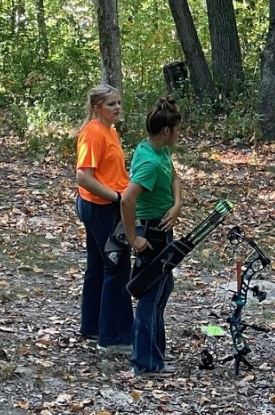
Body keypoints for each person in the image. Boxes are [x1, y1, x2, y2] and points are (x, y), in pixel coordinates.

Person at [121, 96, 184, 375]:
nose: (180, 134)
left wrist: (177, 204)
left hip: (163, 226)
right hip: (152, 232)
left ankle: (154, 354)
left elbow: (175, 178)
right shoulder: (149, 162)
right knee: (151, 293)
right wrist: (133, 237)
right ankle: (145, 362)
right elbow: (127, 200)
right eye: (178, 128)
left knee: (163, 288)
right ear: (167, 131)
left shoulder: (159, 151)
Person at [74, 84, 133, 350]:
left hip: (107, 204)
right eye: (111, 104)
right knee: (116, 267)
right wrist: (117, 198)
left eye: (119, 103)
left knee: (98, 266)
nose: (117, 108)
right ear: (97, 107)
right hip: (100, 207)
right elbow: (83, 176)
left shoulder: (110, 130)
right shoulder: (93, 133)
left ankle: (94, 327)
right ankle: (113, 336)